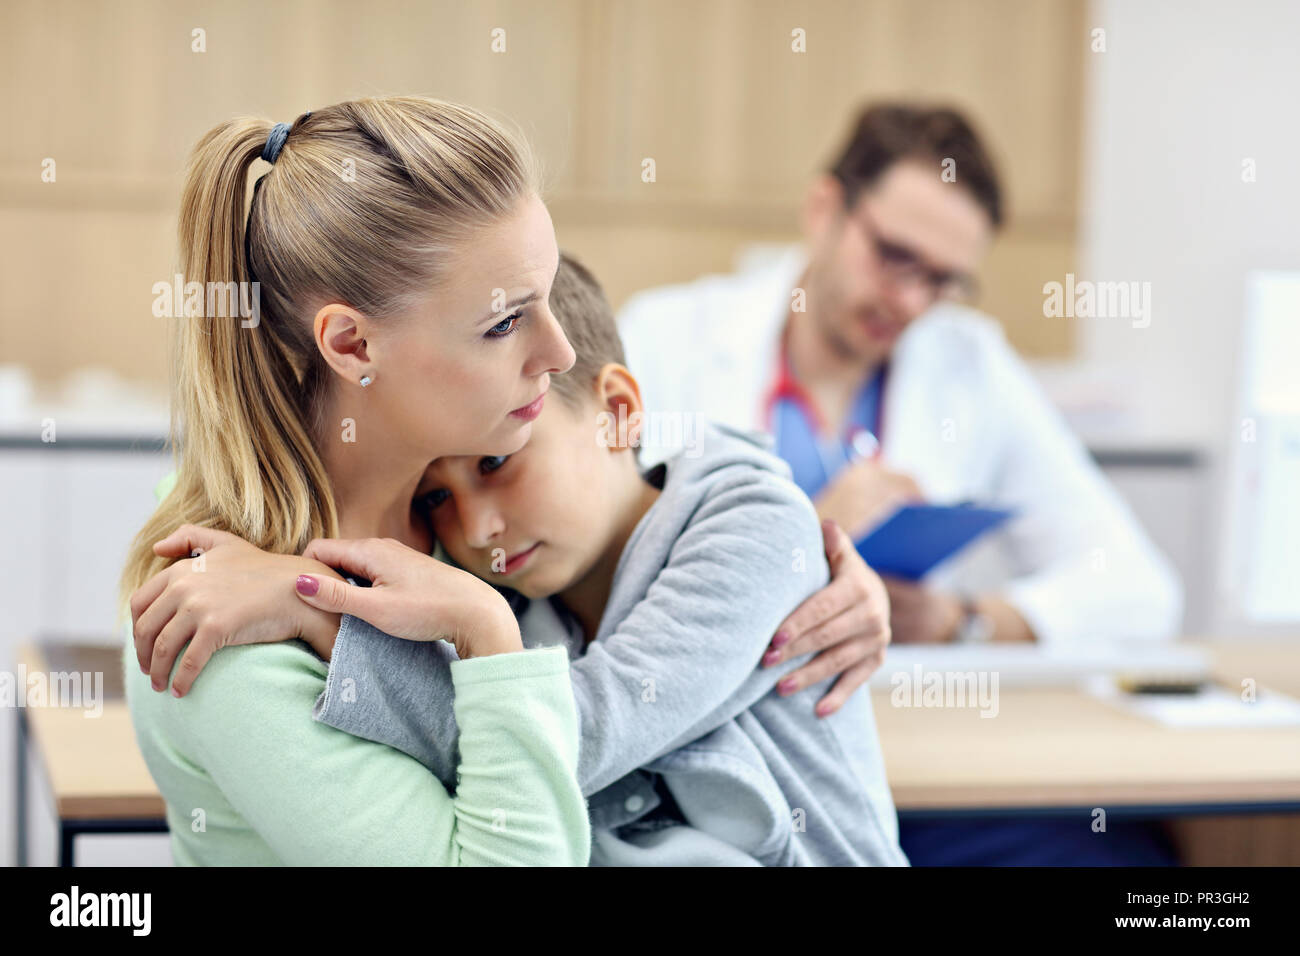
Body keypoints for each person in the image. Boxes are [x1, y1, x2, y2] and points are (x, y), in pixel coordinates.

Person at [124, 97, 895, 865]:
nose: (557, 349)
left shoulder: (472, 516)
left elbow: (636, 465)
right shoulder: (226, 610)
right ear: (353, 345)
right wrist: (459, 631)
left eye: (546, 297)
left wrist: (814, 561)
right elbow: (530, 764)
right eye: (502, 323)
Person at [614, 103, 1184, 865]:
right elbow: (606, 595)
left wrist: (960, 619)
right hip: (723, 766)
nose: (912, 301)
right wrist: (804, 530)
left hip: (909, 757)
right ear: (825, 210)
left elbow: (1139, 585)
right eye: (894, 256)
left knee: (1134, 864)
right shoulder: (667, 337)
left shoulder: (970, 363)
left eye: (943, 280)